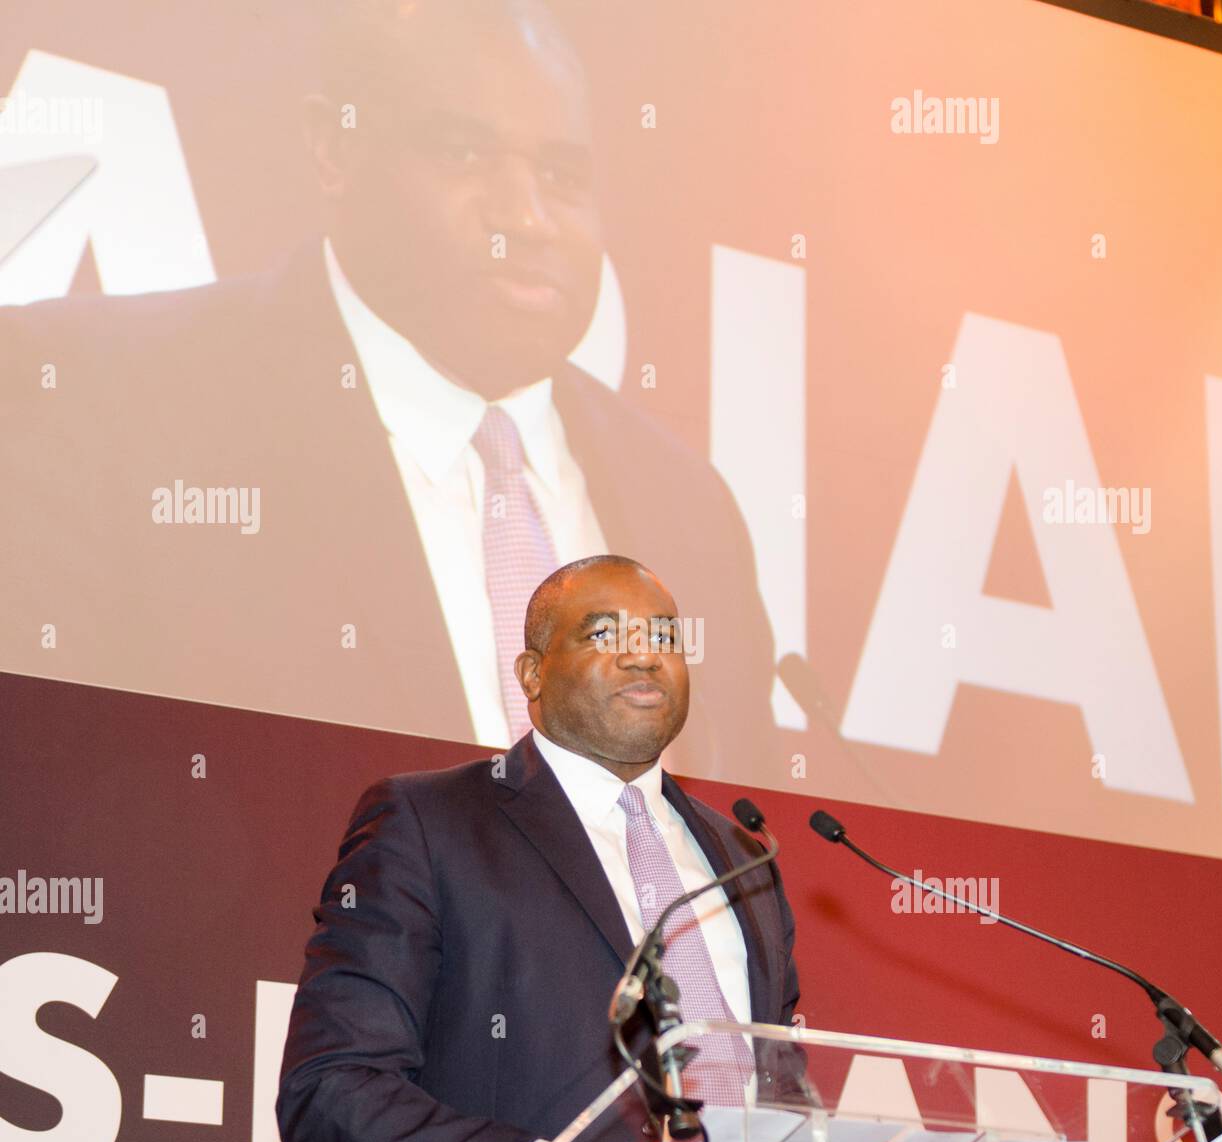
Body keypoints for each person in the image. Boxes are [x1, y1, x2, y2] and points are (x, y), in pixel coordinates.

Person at [0, 0, 777, 782]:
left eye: (561, 175)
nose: (527, 217)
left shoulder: (690, 509)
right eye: (466, 154)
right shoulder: (100, 398)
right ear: (337, 148)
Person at [276, 555, 800, 1142]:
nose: (644, 653)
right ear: (531, 673)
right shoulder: (431, 823)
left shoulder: (744, 858)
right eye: (603, 632)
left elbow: (777, 1085)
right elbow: (331, 1087)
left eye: (665, 636)